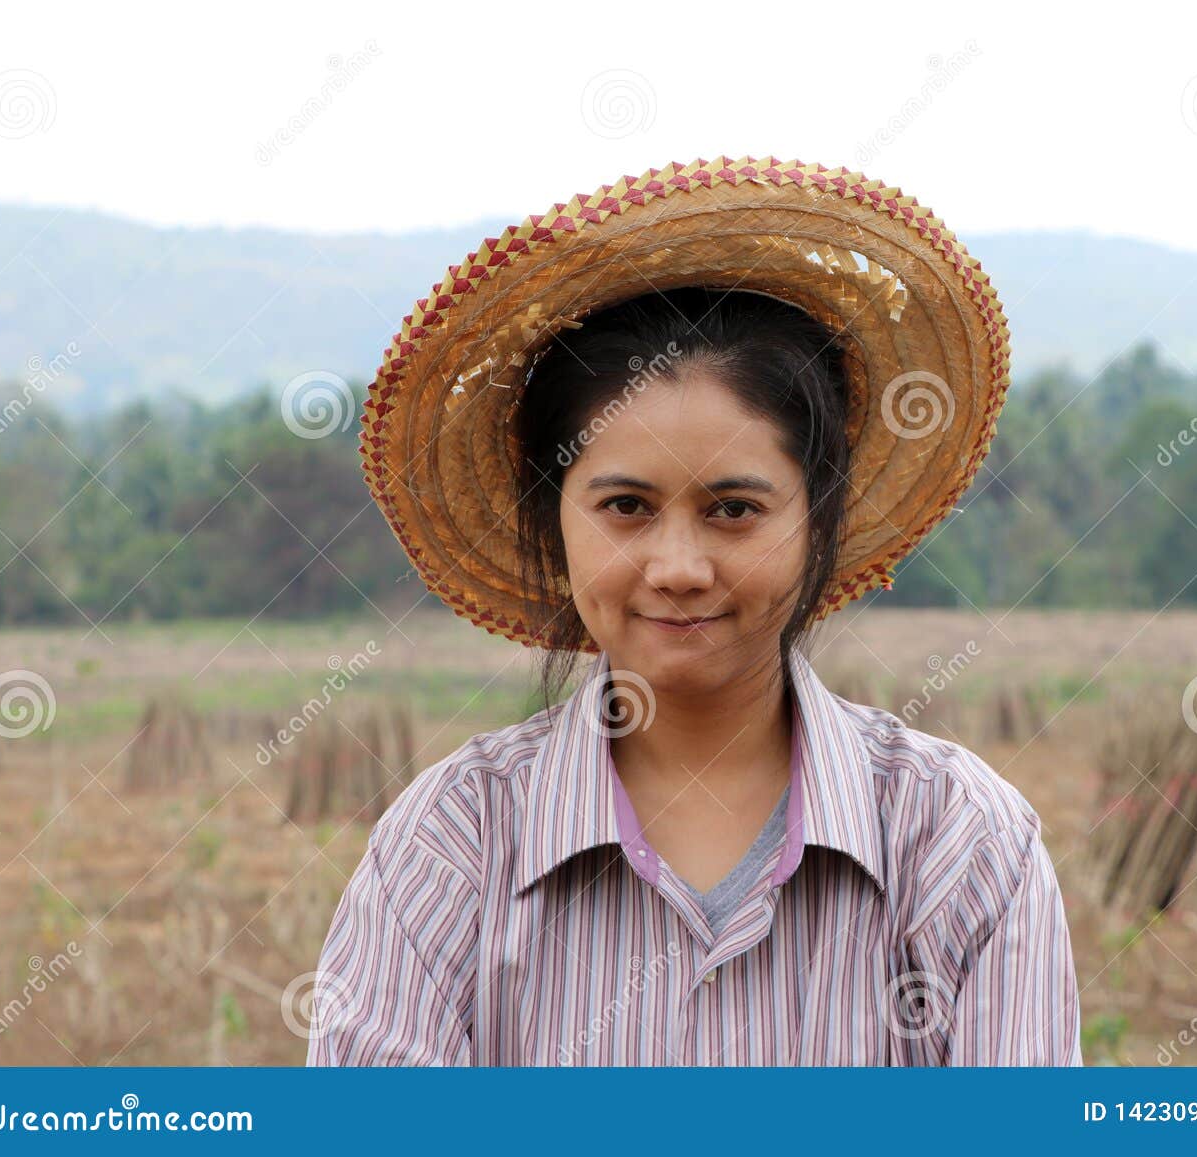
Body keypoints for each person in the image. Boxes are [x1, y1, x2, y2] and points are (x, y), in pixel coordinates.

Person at [308, 155, 1082, 1066]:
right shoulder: (447, 850)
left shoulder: (959, 842)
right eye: (626, 507)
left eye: (734, 509)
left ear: (818, 519)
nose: (678, 567)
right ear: (553, 522)